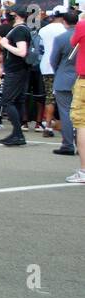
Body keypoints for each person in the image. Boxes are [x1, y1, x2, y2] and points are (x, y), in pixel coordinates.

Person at [0, 5, 33, 146]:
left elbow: (22, 52)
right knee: (15, 101)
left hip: (16, 70)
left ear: (15, 15)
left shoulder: (19, 30)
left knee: (8, 101)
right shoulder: (22, 29)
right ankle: (17, 133)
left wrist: (5, 44)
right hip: (19, 70)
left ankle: (17, 133)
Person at [49, 12, 79, 156]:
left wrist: (59, 71)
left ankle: (68, 144)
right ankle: (81, 143)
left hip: (64, 77)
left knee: (66, 113)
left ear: (64, 22)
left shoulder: (61, 38)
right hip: (80, 77)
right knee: (81, 114)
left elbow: (53, 60)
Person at [37, 8, 69, 137]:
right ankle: (65, 125)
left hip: (45, 65)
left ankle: (48, 125)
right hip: (62, 67)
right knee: (64, 97)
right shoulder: (65, 30)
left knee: (50, 96)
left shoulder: (43, 30)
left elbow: (40, 48)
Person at [67, 12, 85, 183]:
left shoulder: (82, 24)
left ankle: (84, 170)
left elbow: (73, 42)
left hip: (84, 79)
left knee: (81, 123)